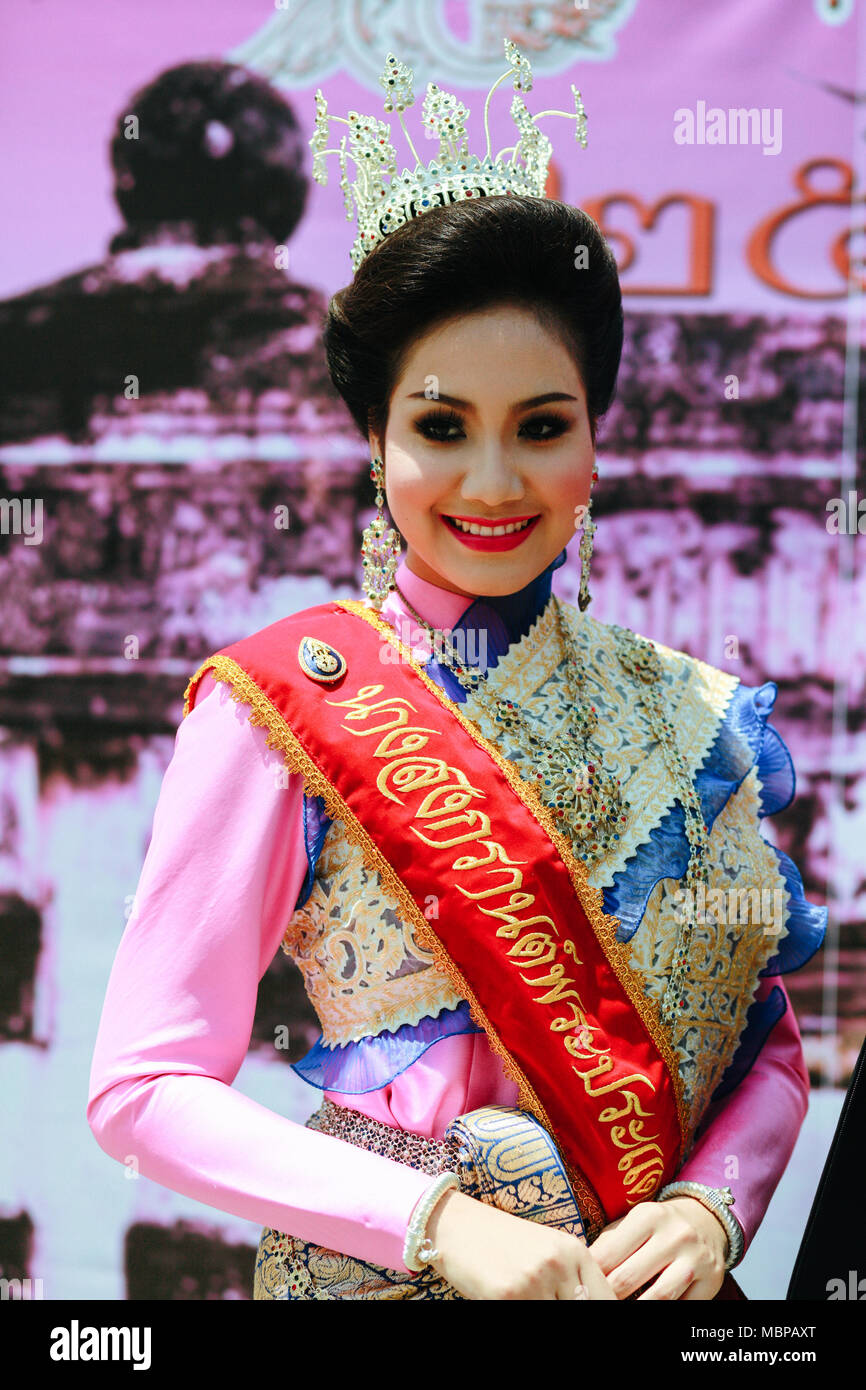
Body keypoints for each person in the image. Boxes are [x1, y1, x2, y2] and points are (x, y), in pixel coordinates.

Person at [87, 41, 826, 1301]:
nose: (492, 483)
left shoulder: (696, 717)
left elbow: (761, 1039)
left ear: (596, 441)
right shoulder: (279, 707)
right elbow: (141, 1087)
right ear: (375, 446)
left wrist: (713, 1204)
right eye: (439, 428)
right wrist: (434, 1220)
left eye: (541, 427)